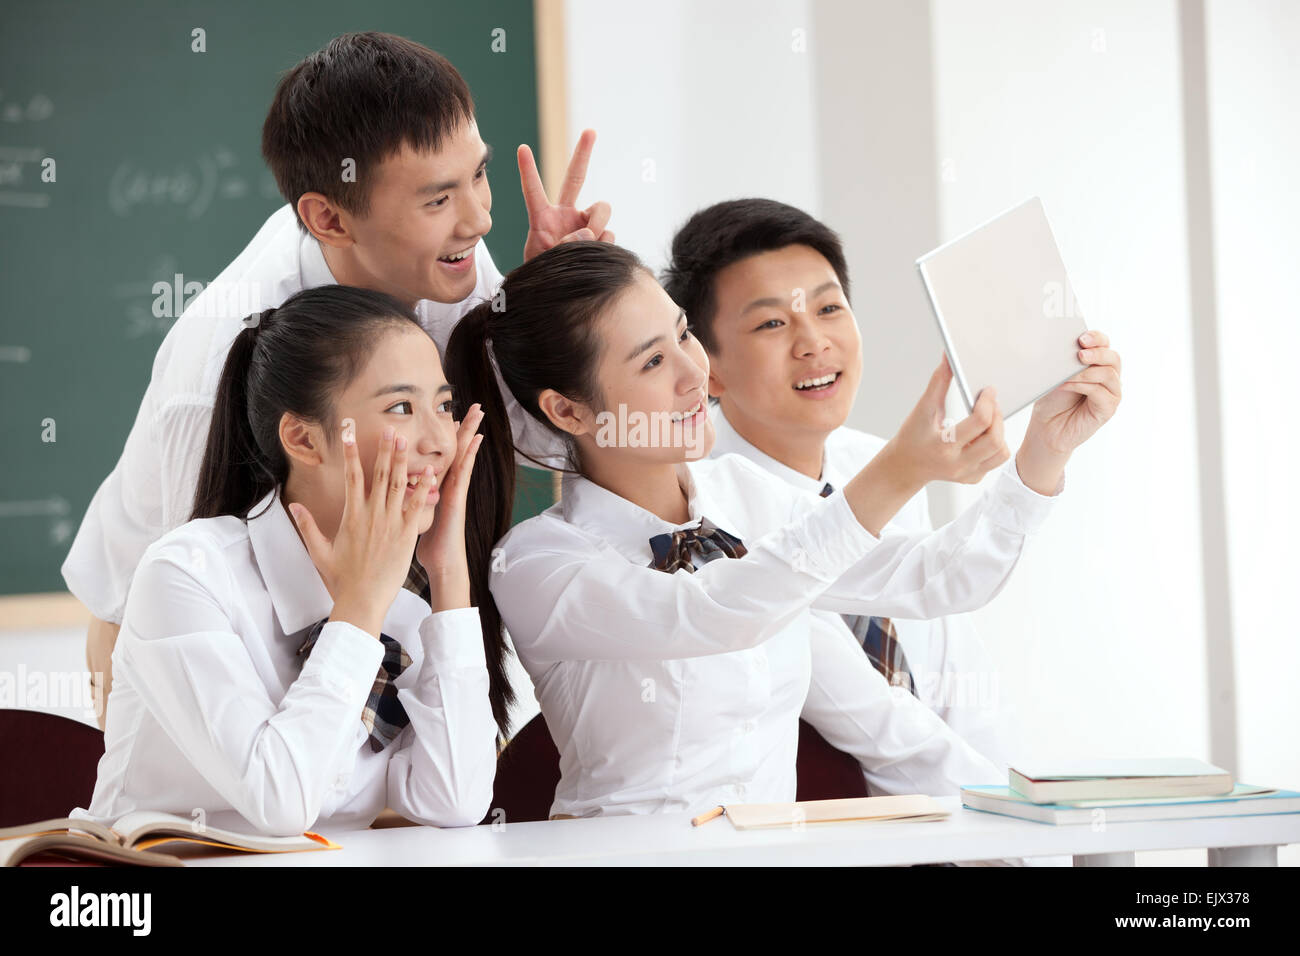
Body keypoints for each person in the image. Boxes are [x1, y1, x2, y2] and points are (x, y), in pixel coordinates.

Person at [442, 241, 1121, 822]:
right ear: (568, 409)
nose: (693, 375)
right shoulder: (538, 562)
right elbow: (711, 614)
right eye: (651, 362)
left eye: (683, 335)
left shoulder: (745, 494)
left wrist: (1044, 455)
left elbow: (937, 577)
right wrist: (900, 470)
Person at [62, 31, 610, 729]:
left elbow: (528, 434)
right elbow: (190, 601)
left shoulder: (437, 258)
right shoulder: (219, 367)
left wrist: (553, 304)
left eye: (479, 173)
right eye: (440, 198)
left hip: (370, 621)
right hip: (173, 642)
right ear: (328, 217)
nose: (479, 216)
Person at [70, 286, 499, 836]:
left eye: (444, 405)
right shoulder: (186, 576)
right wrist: (360, 608)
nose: (440, 440)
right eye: (400, 407)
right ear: (303, 438)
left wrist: (448, 573)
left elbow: (457, 800)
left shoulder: (404, 611)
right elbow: (279, 803)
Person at [662, 197, 1068, 774]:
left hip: (956, 823)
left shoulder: (871, 460)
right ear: (709, 367)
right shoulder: (702, 509)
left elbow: (954, 658)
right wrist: (1008, 821)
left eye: (829, 308)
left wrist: (1047, 449)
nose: (813, 343)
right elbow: (880, 729)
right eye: (772, 322)